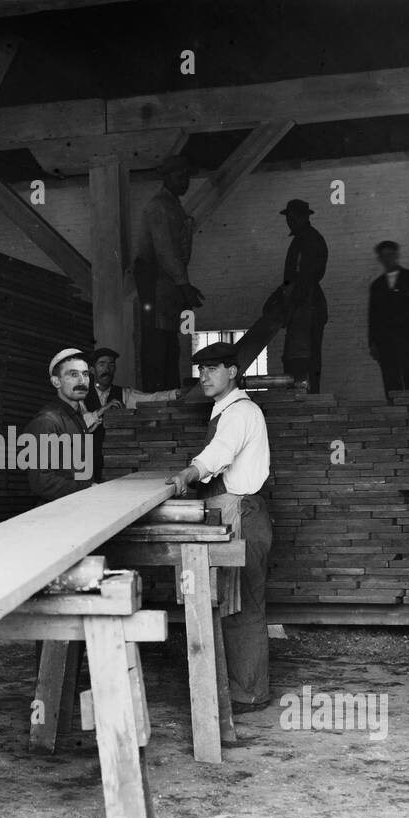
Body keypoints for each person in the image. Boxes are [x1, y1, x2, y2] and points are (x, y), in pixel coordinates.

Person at [165, 341, 273, 717]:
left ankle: (249, 693)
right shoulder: (222, 410)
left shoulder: (241, 412)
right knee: (233, 603)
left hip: (242, 513)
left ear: (233, 372)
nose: (205, 376)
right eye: (201, 369)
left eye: (213, 368)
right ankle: (243, 688)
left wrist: (188, 473)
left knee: (242, 605)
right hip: (233, 511)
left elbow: (219, 454)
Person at [133, 155, 205, 391]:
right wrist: (184, 285)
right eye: (178, 175)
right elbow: (165, 250)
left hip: (168, 284)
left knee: (168, 343)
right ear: (166, 176)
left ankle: (167, 393)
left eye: (186, 175)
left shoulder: (173, 206)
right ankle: (156, 397)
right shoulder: (160, 206)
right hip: (155, 281)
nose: (184, 180)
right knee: (157, 343)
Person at [83, 346, 179, 481]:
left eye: (111, 365)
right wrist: (102, 410)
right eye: (102, 364)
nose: (107, 369)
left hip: (113, 462)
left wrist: (175, 394)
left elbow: (151, 398)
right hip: (87, 459)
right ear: (92, 370)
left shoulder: (124, 393)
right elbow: (79, 424)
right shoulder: (81, 395)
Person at [23, 348, 100, 503]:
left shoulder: (76, 417)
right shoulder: (46, 422)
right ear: (56, 381)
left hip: (76, 508)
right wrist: (88, 489)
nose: (82, 381)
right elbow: (41, 482)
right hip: (55, 515)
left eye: (85, 374)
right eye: (73, 374)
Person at [367, 240, 409, 393]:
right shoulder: (377, 285)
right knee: (391, 384)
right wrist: (372, 342)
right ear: (380, 259)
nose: (387, 259)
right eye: (383, 256)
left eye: (390, 255)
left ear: (397, 255)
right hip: (386, 342)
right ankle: (395, 415)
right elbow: (373, 317)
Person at [277, 199, 330, 393]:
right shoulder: (300, 240)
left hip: (307, 304)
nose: (290, 221)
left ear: (304, 217)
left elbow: (306, 276)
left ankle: (308, 399)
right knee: (299, 355)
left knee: (304, 357)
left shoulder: (310, 240)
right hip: (301, 303)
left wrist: (290, 304)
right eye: (288, 217)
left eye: (294, 217)